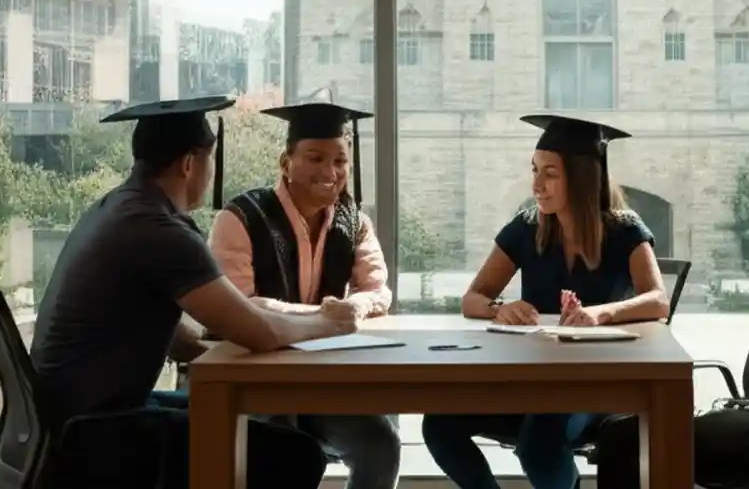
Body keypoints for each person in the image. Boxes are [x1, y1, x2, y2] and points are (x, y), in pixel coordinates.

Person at [31, 95, 356, 489]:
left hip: (69, 418)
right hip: (99, 433)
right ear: (190, 163)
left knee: (244, 418)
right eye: (209, 160)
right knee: (295, 454)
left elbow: (171, 334)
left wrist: (214, 354)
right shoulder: (159, 229)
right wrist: (328, 323)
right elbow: (258, 331)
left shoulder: (115, 208)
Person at [421, 114, 670, 489]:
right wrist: (499, 308)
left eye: (550, 173)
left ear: (582, 177)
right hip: (529, 378)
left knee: (539, 438)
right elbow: (472, 298)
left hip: (596, 383)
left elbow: (657, 301)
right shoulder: (527, 228)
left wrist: (599, 314)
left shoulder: (624, 229)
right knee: (439, 423)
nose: (536, 184)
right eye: (534, 170)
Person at [208, 94, 400, 489]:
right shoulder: (240, 218)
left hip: (321, 386)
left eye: (340, 160)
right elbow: (238, 305)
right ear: (286, 162)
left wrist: (353, 308)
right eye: (315, 158)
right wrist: (321, 319)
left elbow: (377, 290)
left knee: (380, 445)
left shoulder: (354, 222)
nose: (330, 170)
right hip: (253, 388)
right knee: (287, 457)